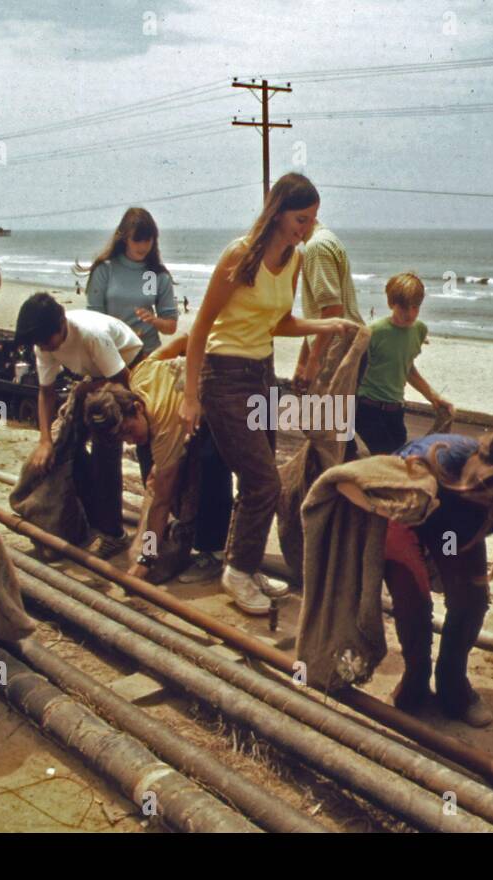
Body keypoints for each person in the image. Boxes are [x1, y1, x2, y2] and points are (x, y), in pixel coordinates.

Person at [181, 173, 358, 615]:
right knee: (264, 480)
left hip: (262, 374)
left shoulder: (295, 260)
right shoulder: (240, 255)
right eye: (301, 218)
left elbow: (278, 322)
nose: (307, 228)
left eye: (314, 219)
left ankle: (244, 565)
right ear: (277, 212)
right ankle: (236, 573)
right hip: (223, 376)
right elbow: (200, 328)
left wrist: (325, 325)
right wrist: (190, 395)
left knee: (260, 481)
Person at [335, 421, 493, 737]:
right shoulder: (438, 459)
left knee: (471, 601)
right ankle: (416, 679)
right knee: (412, 598)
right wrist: (379, 510)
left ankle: (452, 683)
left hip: (453, 532)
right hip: (405, 516)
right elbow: (349, 483)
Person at [82, 336, 232, 582]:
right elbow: (184, 339)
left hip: (235, 396)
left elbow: (160, 502)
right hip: (200, 392)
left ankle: (214, 552)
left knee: (211, 464)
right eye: (122, 439)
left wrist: (146, 558)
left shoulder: (164, 429)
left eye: (128, 432)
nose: (129, 441)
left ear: (138, 408)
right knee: (161, 473)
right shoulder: (140, 374)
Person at [16, 293, 144, 558]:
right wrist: (44, 441)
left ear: (63, 321)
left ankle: (113, 533)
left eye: (48, 339)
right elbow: (46, 392)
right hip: (95, 379)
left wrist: (89, 386)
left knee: (105, 453)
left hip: (129, 369)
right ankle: (90, 518)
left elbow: (122, 380)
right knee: (66, 449)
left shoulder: (89, 335)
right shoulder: (44, 344)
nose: (45, 347)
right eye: (39, 342)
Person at [354, 273, 453, 455]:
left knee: (399, 459)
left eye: (415, 307)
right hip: (367, 408)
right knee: (391, 459)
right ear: (391, 304)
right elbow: (353, 371)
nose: (410, 314)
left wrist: (434, 397)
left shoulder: (420, 330)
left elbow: (407, 368)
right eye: (404, 308)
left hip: (396, 410)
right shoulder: (373, 332)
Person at [82, 208, 178, 360]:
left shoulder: (154, 274)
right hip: (112, 355)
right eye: (137, 240)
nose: (143, 247)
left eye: (148, 240)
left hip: (148, 353)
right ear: (125, 238)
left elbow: (171, 326)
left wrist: (154, 320)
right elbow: (93, 320)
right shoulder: (105, 269)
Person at [294, 220, 364, 392]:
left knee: (323, 416)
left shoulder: (316, 248)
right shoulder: (326, 239)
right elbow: (318, 315)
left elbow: (332, 309)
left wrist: (313, 360)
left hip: (335, 347)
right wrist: (303, 361)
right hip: (338, 343)